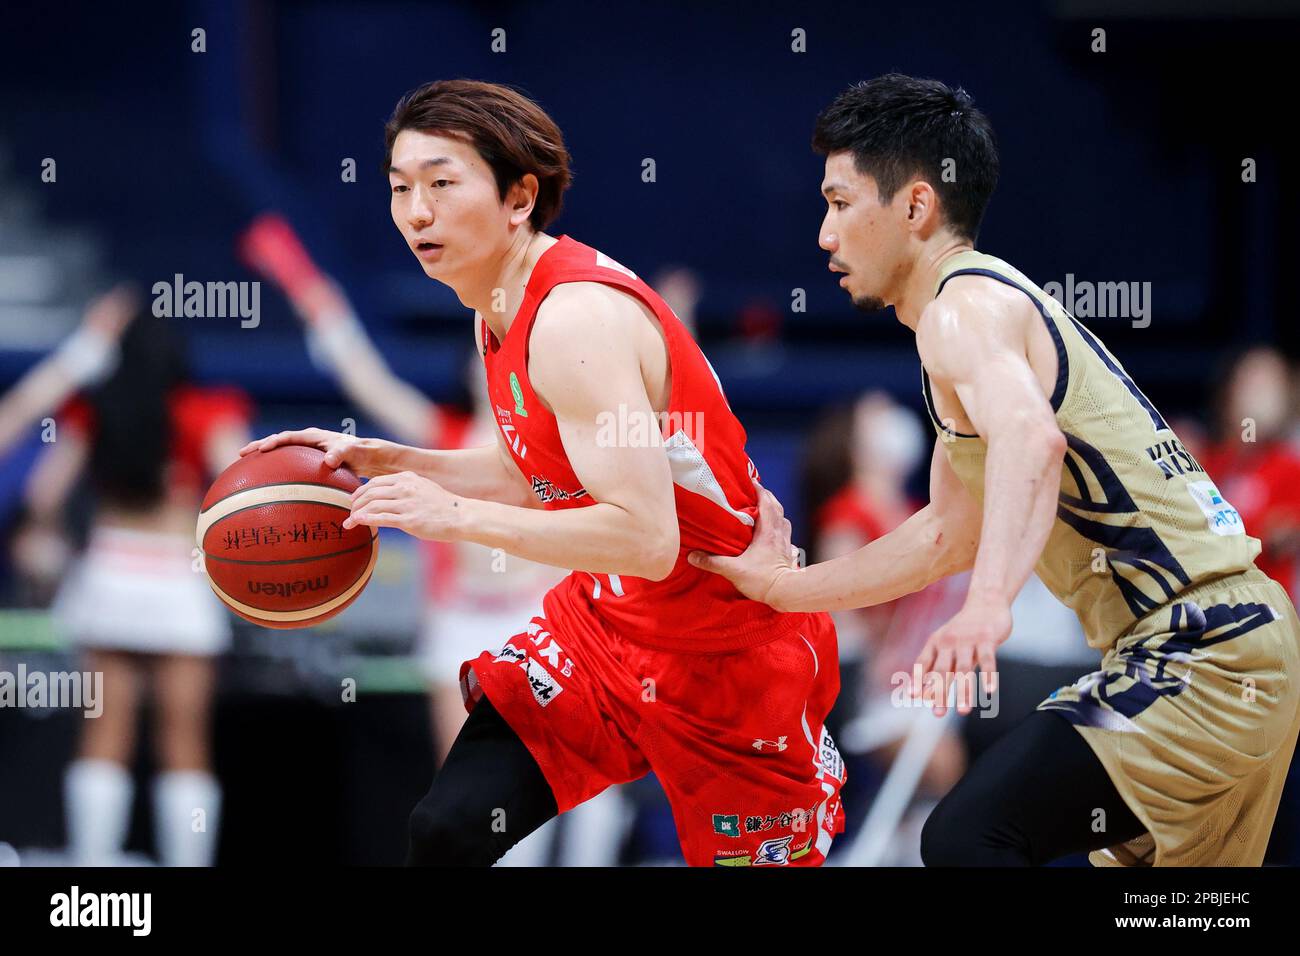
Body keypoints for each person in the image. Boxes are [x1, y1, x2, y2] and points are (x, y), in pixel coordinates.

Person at [690, 73, 1300, 867]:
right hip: (1234, 646)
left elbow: (1031, 442)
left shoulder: (960, 311)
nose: (824, 235)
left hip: (1200, 651)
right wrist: (780, 589)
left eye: (840, 203)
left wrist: (986, 609)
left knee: (969, 835)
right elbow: (947, 534)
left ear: (915, 206)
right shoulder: (980, 316)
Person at [243, 80, 845, 867]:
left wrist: (449, 515)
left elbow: (646, 536)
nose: (415, 212)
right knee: (450, 827)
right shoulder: (496, 304)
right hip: (604, 628)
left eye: (441, 184)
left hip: (724, 652)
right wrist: (404, 462)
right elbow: (542, 475)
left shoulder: (572, 320)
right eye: (399, 188)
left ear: (519, 197)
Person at [15, 301, 251, 866]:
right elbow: (239, 490)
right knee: (184, 741)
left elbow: (42, 496)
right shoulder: (207, 409)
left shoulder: (96, 407)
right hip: (179, 579)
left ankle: (94, 872)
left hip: (109, 575)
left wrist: (48, 545)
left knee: (104, 736)